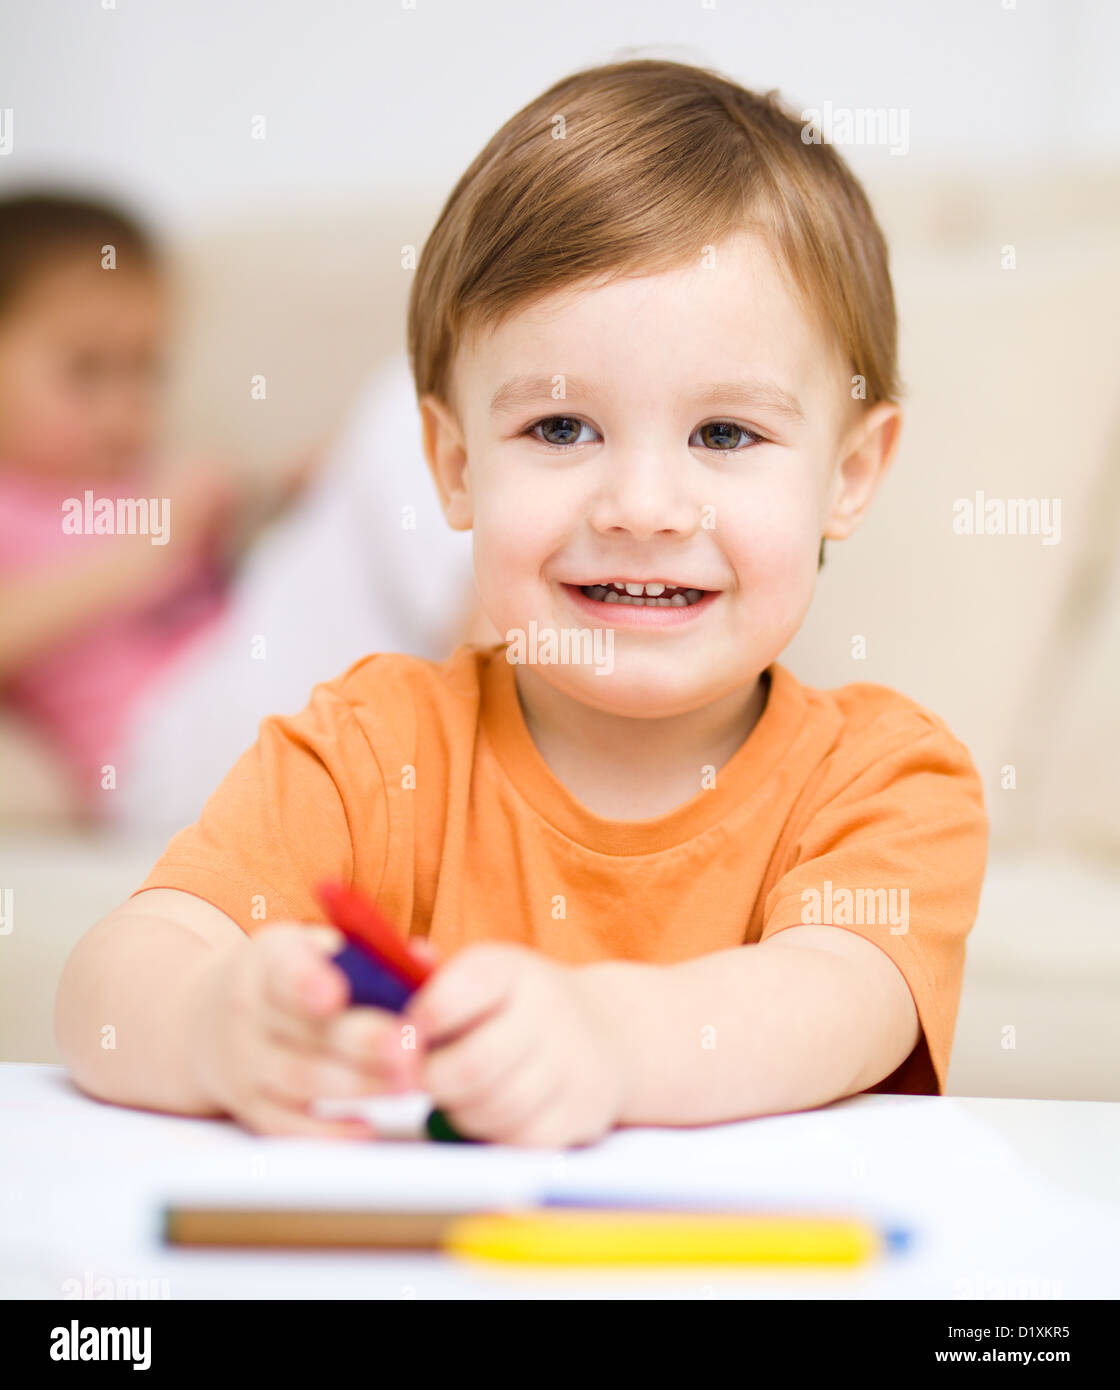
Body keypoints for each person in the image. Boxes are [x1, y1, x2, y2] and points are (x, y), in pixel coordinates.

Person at [57, 59, 989, 1148]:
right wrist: (214, 1024)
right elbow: (107, 987)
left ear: (849, 474)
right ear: (454, 467)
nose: (641, 507)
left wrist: (605, 1037)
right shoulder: (370, 752)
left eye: (725, 433)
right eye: (560, 428)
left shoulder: (885, 781)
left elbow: (836, 999)